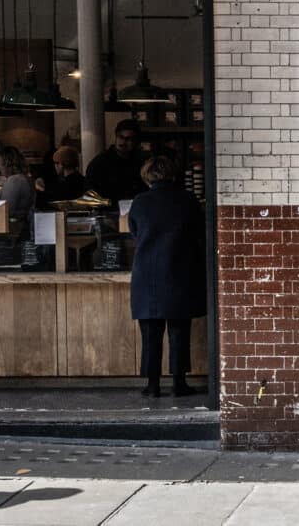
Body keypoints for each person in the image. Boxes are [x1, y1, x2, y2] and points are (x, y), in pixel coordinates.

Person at [127, 153, 205, 399]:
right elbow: (199, 233)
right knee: (179, 331)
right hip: (179, 272)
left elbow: (134, 233)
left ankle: (152, 385)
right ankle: (179, 383)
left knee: (150, 333)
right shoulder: (188, 200)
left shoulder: (139, 202)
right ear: (172, 174)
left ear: (147, 176)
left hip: (147, 275)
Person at [86, 122, 146, 203]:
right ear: (116, 137)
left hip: (133, 210)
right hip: (107, 210)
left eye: (129, 139)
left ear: (136, 142)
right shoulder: (100, 163)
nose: (123, 142)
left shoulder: (140, 163)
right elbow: (90, 194)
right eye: (120, 137)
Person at [0, 146, 36, 225]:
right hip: (22, 227)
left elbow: (6, 211)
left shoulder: (14, 180)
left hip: (13, 230)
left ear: (7, 163)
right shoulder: (26, 178)